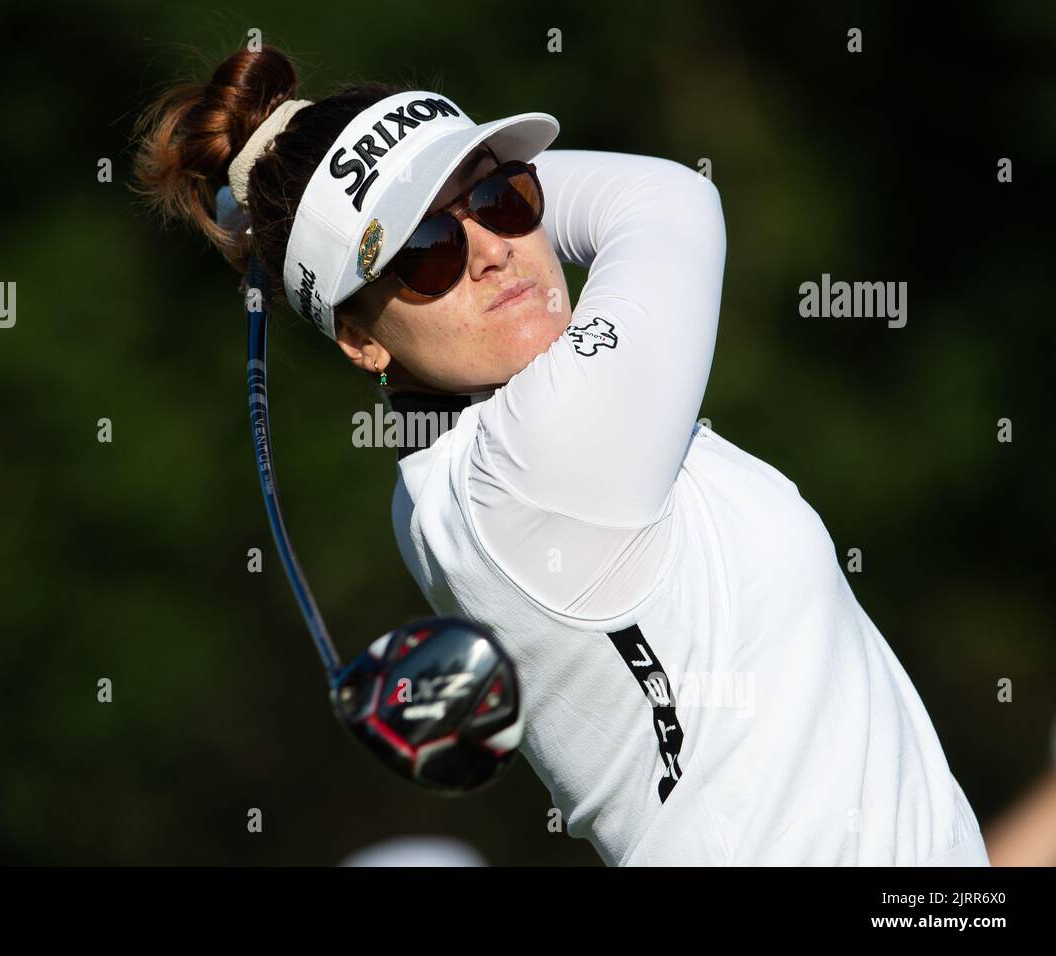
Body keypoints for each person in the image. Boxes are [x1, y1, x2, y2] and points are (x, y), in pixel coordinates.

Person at [134, 43, 989, 866]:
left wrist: (316, 164)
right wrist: (325, 176)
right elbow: (669, 201)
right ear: (360, 340)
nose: (491, 250)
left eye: (502, 198)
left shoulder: (446, 483)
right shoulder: (538, 456)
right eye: (426, 253)